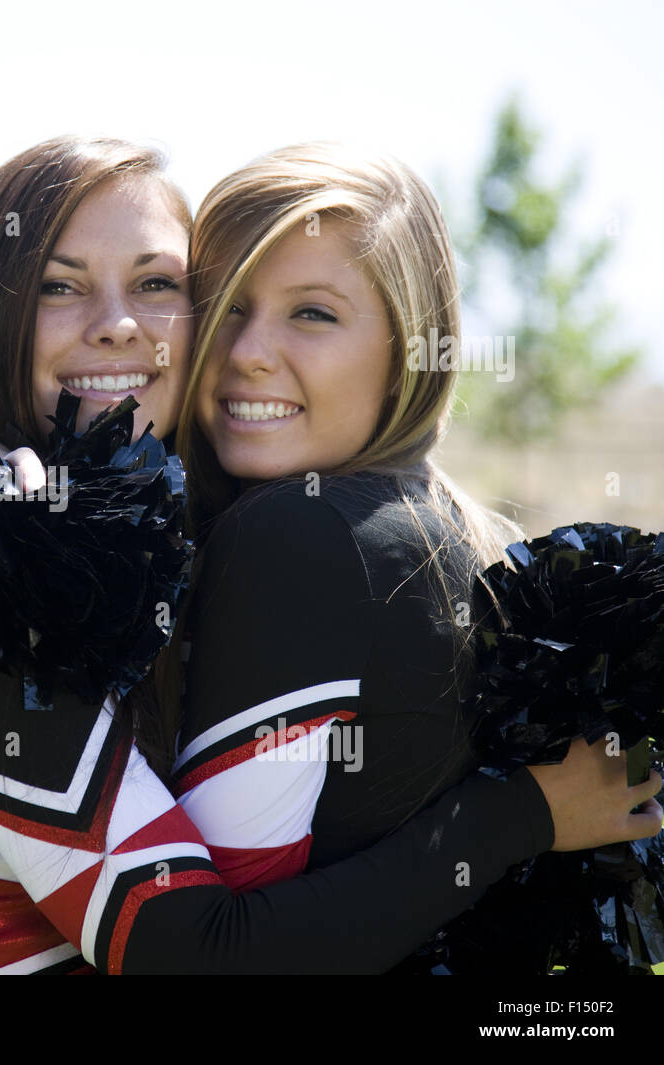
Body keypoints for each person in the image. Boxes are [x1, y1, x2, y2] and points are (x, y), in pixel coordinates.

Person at [0, 136, 661, 974]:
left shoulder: (184, 534)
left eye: (156, 284)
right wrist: (522, 815)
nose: (116, 326)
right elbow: (192, 949)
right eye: (59, 286)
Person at [167, 142, 663, 915]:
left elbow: (212, 946)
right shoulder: (445, 531)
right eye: (227, 304)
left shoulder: (296, 534)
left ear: (407, 353)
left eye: (312, 313)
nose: (248, 353)